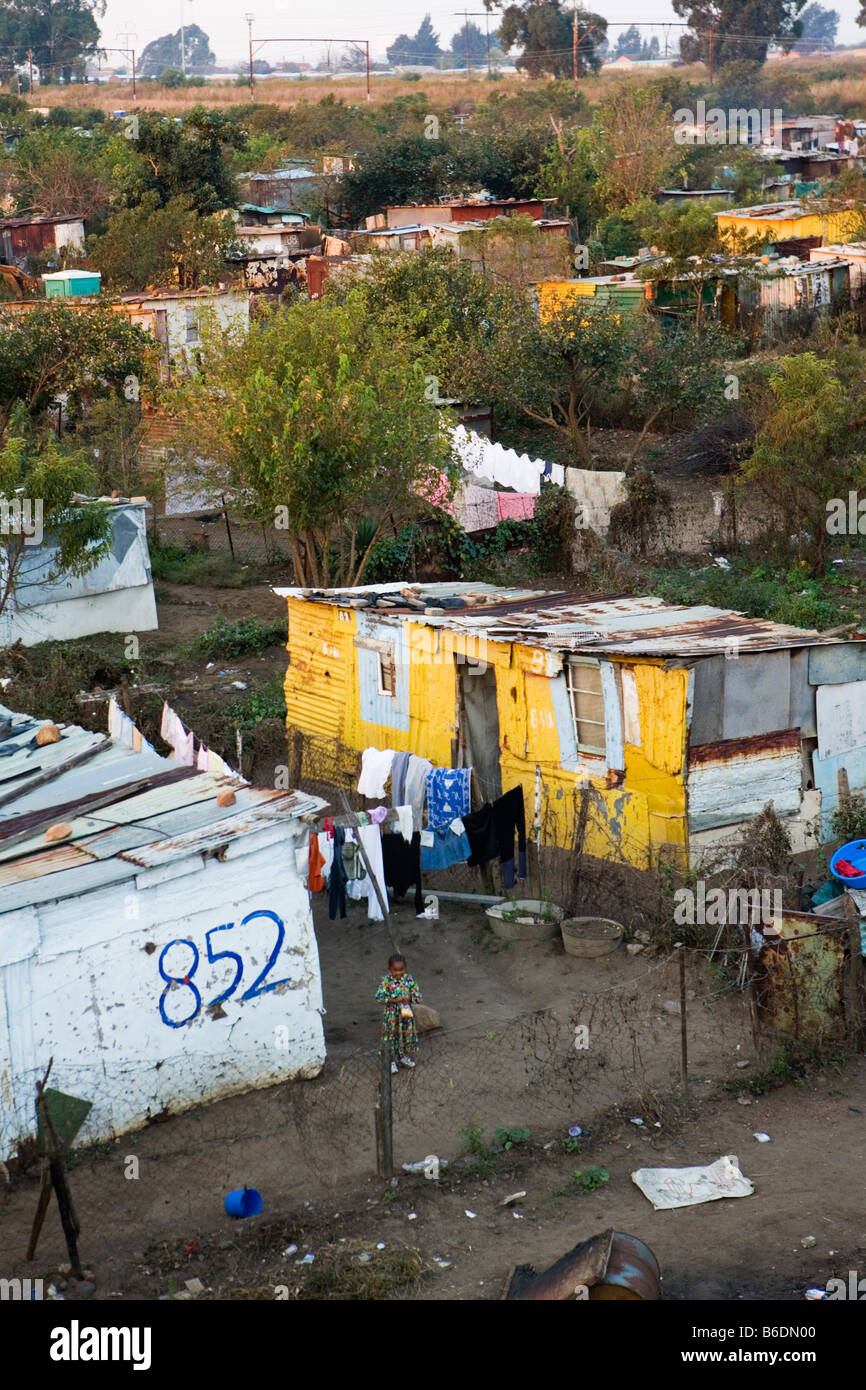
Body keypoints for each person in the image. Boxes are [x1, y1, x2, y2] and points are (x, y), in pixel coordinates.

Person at [376, 954, 422, 1074]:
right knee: (391, 1037)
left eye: (401, 969)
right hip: (391, 1017)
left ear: (405, 968)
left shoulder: (409, 980)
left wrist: (410, 998)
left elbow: (418, 996)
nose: (398, 973)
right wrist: (394, 1000)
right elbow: (379, 997)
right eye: (395, 970)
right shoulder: (386, 981)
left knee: (405, 1036)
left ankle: (403, 1057)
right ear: (389, 969)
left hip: (405, 1016)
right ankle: (390, 1061)